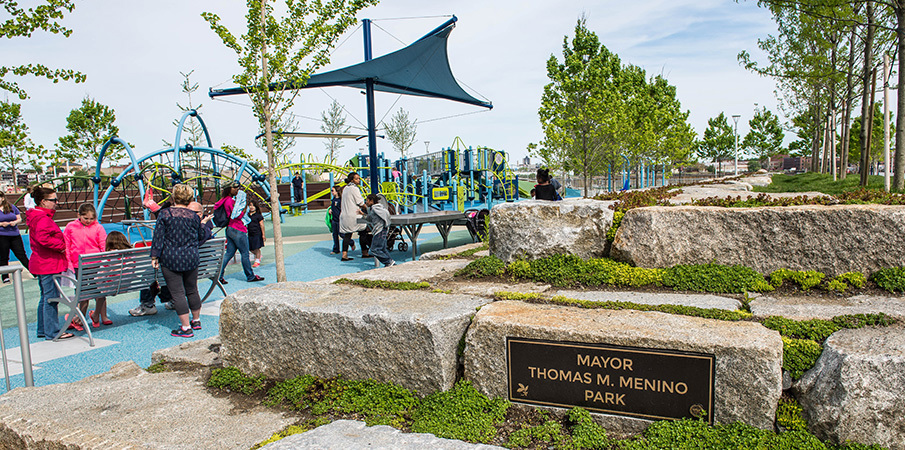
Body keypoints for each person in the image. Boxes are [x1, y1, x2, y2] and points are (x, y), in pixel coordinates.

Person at [150, 184, 212, 338]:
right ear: (190, 198)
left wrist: (155, 256)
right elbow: (199, 236)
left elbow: (158, 238)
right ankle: (196, 320)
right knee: (192, 289)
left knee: (177, 293)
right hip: (191, 256)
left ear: (174, 197)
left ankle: (185, 327)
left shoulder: (165, 215)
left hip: (171, 257)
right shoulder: (193, 216)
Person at [28, 187, 73, 340]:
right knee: (51, 298)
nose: (56, 203)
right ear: (43, 201)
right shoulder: (42, 219)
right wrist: (61, 246)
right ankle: (52, 331)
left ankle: (44, 329)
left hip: (43, 262)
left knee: (45, 297)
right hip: (48, 263)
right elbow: (43, 238)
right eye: (53, 200)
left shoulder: (37, 216)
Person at [64, 203, 110, 328]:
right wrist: (69, 262)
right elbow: (67, 245)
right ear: (78, 215)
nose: (89, 221)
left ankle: (102, 315)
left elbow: (103, 245)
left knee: (99, 289)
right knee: (83, 292)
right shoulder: (71, 227)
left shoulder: (98, 227)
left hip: (95, 263)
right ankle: (81, 316)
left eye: (91, 219)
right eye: (86, 218)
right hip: (79, 263)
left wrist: (104, 261)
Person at [214, 181, 263, 283]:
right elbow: (238, 215)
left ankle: (218, 276)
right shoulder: (230, 201)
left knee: (229, 253)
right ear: (229, 189)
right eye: (235, 188)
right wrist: (244, 208)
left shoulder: (224, 200)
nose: (237, 190)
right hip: (238, 229)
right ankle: (250, 276)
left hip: (230, 229)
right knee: (245, 253)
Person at [338, 172, 370, 261]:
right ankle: (364, 252)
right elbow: (360, 202)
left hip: (344, 215)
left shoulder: (345, 188)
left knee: (347, 235)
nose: (358, 180)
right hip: (354, 214)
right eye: (357, 179)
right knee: (363, 232)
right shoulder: (354, 189)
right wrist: (368, 209)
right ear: (352, 180)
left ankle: (344, 254)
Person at [0, 191, 28, 283]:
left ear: (2, 198)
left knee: (21, 254)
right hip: (2, 235)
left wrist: (14, 222)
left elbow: (18, 218)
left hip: (14, 234)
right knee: (4, 256)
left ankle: (33, 271)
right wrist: (2, 224)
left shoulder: (11, 207)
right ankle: (5, 276)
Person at [364, 194, 395, 268]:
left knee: (374, 249)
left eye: (367, 200)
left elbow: (386, 214)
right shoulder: (373, 208)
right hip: (380, 230)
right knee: (383, 248)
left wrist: (386, 224)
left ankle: (388, 261)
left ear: (371, 201)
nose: (366, 202)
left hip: (380, 230)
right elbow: (370, 218)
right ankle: (390, 263)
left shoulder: (376, 208)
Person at [246, 201, 265, 267]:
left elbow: (262, 225)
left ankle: (257, 260)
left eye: (253, 206)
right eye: (250, 205)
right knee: (250, 248)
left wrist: (263, 234)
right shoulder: (248, 215)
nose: (251, 207)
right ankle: (258, 255)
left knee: (257, 247)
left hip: (257, 233)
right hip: (250, 233)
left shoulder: (258, 216)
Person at [329, 185, 343, 254]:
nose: (331, 192)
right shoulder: (333, 199)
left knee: (342, 234)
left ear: (337, 191)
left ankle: (351, 242)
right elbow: (332, 207)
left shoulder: (341, 200)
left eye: (333, 190)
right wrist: (331, 210)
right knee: (335, 234)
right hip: (334, 219)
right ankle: (336, 249)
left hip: (340, 219)